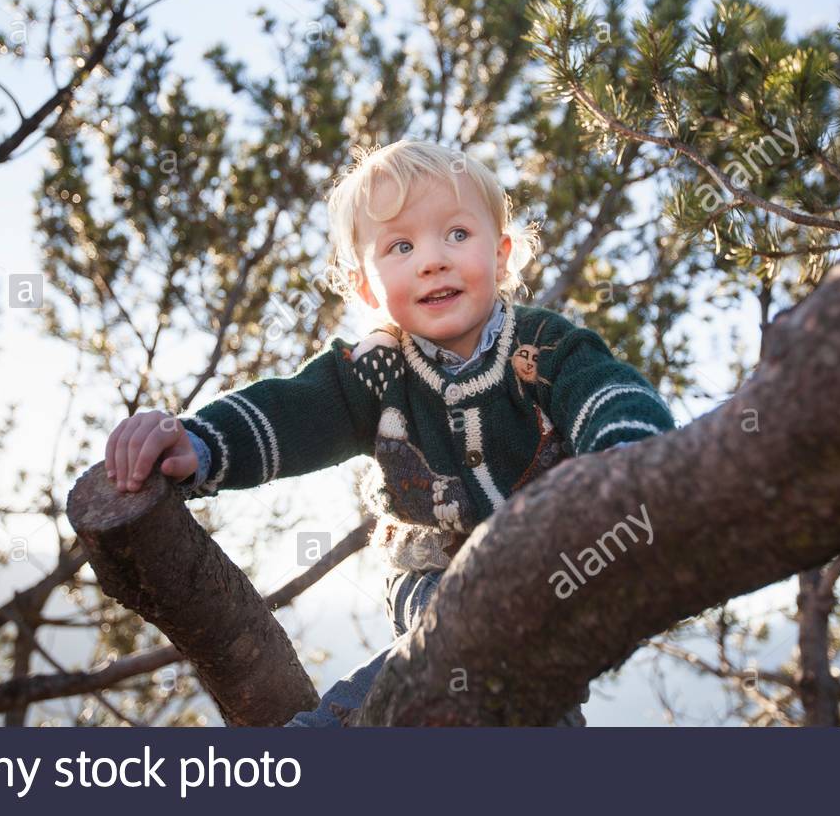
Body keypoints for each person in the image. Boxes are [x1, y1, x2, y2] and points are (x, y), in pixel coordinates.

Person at [103, 139, 676, 725]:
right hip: (428, 580)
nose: (433, 260)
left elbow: (606, 393)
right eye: (401, 246)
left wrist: (629, 463)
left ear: (501, 256)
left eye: (457, 234)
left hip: (549, 580)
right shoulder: (376, 370)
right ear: (369, 289)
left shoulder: (544, 348)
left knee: (528, 681)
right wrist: (199, 445)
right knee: (443, 657)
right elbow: (292, 412)